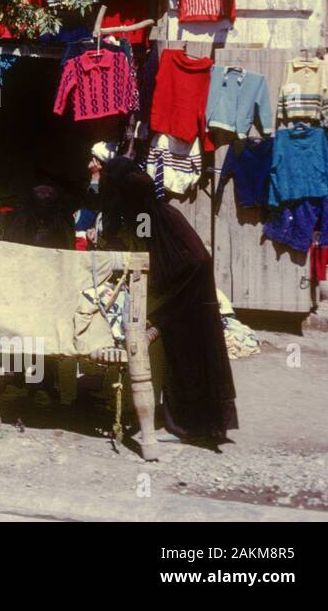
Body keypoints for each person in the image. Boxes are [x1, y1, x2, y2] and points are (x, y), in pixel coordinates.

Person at [98, 156, 238, 444]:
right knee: (184, 355)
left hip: (188, 289)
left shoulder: (147, 217)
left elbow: (178, 259)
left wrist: (166, 298)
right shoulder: (153, 213)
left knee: (188, 357)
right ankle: (187, 421)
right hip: (184, 287)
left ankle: (195, 426)